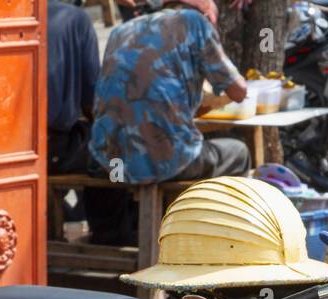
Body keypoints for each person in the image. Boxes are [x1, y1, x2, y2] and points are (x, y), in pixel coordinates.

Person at [89, 0, 250, 185]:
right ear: (208, 16)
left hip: (109, 161)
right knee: (239, 153)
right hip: (169, 161)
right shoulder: (196, 21)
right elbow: (238, 92)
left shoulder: (121, 30)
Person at [47, 1, 99, 175]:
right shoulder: (77, 18)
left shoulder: (2, 16)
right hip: (53, 146)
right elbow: (92, 96)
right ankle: (101, 201)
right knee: (116, 157)